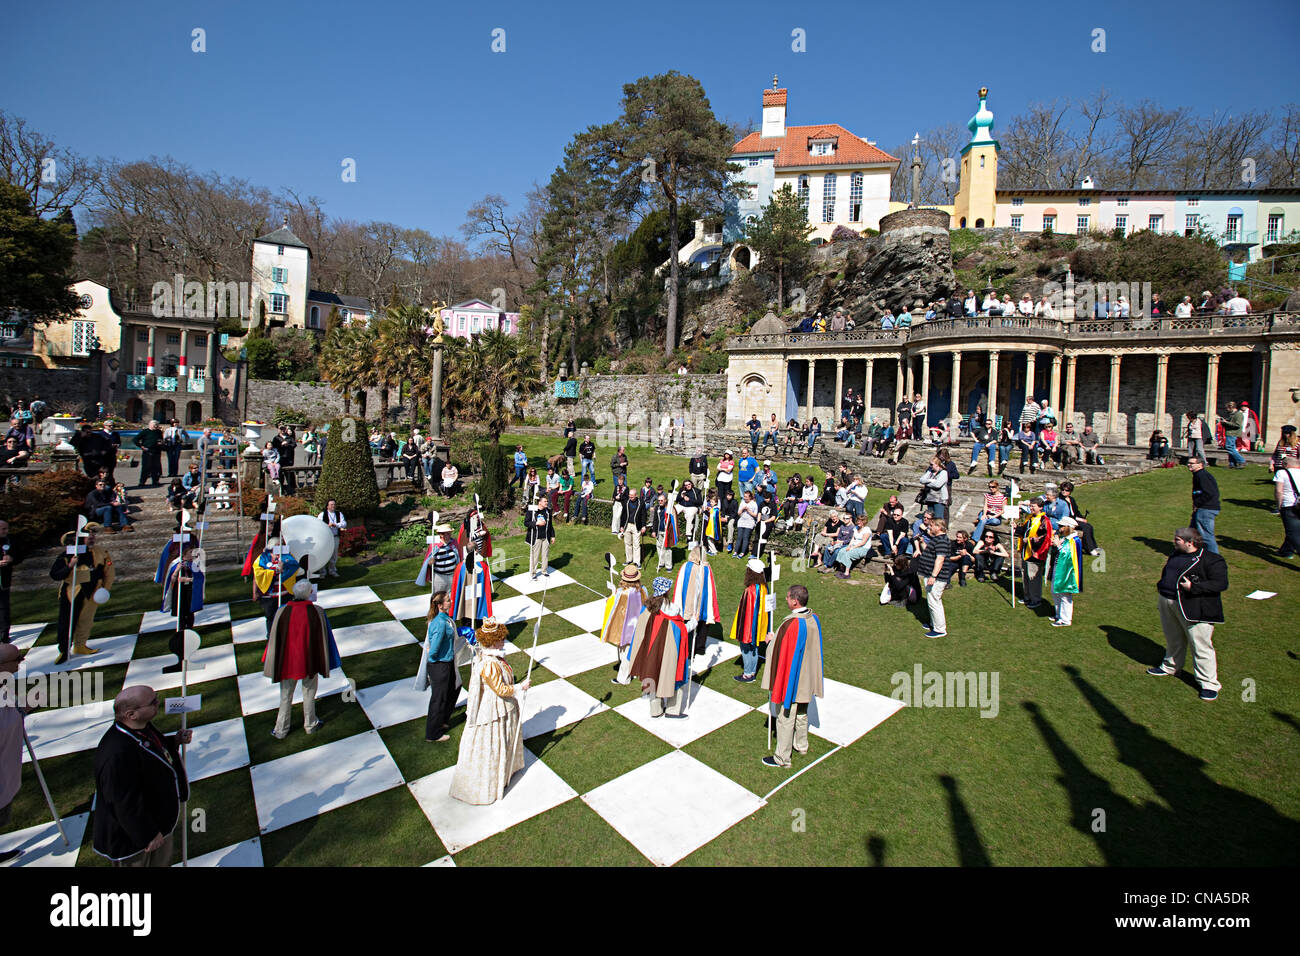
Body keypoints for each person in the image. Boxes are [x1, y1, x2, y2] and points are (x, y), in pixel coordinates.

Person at [91, 685, 192, 866]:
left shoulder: (142, 727)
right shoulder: (116, 753)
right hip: (135, 841)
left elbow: (153, 750)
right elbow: (123, 802)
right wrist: (148, 835)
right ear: (131, 714)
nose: (158, 703)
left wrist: (174, 741)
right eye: (153, 702)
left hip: (159, 825)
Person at [450, 617, 528, 804]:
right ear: (493, 641)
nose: (503, 641)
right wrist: (520, 687)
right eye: (500, 639)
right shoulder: (490, 663)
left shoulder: (491, 658)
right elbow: (500, 689)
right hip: (494, 707)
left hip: (500, 706)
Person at [1149, 528, 1228, 701]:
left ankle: (1208, 684)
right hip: (1167, 602)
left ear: (1189, 542)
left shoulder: (1212, 560)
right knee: (1173, 639)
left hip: (1193, 608)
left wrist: (1194, 588)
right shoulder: (1176, 554)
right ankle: (1170, 667)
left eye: (1177, 539)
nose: (1173, 542)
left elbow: (1221, 584)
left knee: (1200, 646)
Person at [264, 579, 340, 738]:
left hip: (287, 661)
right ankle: (310, 724)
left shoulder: (282, 611)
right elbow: (325, 637)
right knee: (309, 692)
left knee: (285, 695)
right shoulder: (317, 611)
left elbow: (274, 636)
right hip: (309, 659)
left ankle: (281, 729)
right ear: (309, 593)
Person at [760, 585, 824, 768]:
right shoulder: (814, 619)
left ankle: (782, 758)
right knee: (802, 713)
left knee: (785, 717)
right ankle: (801, 744)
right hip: (808, 677)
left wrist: (770, 641)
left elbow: (779, 651)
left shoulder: (791, 624)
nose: (786, 600)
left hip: (793, 679)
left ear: (795, 601)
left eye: (788, 598)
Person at [50, 523, 113, 665]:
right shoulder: (67, 554)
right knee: (66, 620)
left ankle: (80, 645)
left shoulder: (101, 552)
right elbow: (55, 574)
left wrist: (105, 588)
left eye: (93, 536)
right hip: (72, 591)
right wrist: (70, 566)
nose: (91, 538)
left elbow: (109, 572)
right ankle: (64, 650)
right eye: (87, 536)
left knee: (86, 620)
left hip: (93, 590)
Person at [628, 577, 691, 718]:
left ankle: (655, 710)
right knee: (674, 676)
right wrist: (694, 622)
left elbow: (639, 633)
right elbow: (682, 631)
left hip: (651, 652)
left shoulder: (646, 608)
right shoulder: (672, 610)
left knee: (653, 673)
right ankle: (672, 710)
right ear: (667, 591)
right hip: (669, 650)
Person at [421, 591, 459, 742]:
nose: (450, 602)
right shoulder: (440, 623)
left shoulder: (444, 619)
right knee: (438, 698)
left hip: (446, 662)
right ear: (440, 605)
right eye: (448, 600)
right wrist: (433, 657)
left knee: (453, 689)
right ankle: (433, 733)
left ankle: (441, 721)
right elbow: (434, 648)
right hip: (440, 665)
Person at [160, 545, 203, 673]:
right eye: (190, 552)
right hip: (180, 594)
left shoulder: (192, 564)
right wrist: (178, 574)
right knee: (181, 616)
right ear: (184, 554)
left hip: (189, 592)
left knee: (190, 615)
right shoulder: (176, 564)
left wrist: (193, 577)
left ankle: (190, 634)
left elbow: (200, 576)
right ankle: (181, 637)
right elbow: (171, 579)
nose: (192, 553)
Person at [603, 565, 647, 685]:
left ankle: (624, 678)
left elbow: (615, 608)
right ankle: (633, 672)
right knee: (631, 651)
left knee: (625, 653)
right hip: (639, 625)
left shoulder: (623, 593)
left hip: (625, 627)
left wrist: (610, 600)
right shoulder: (643, 590)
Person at [673, 546, 720, 656]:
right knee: (702, 624)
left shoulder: (687, 566)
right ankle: (700, 648)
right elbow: (711, 588)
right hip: (702, 601)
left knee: (690, 622)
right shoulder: (706, 568)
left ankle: (689, 650)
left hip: (689, 600)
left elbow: (679, 584)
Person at [729, 558, 770, 683]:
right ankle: (752, 672)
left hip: (749, 625)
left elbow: (744, 612)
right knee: (755, 648)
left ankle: (747, 674)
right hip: (759, 624)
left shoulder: (750, 591)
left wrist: (741, 631)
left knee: (746, 648)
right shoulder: (764, 587)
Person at [916, 516, 953, 638]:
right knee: (931, 601)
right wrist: (922, 542)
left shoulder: (942, 541)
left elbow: (940, 559)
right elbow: (929, 552)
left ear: (938, 527)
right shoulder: (937, 539)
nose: (929, 527)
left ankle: (940, 629)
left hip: (936, 578)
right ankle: (933, 623)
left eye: (931, 526)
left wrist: (933, 576)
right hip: (930, 575)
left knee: (934, 602)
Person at [252, 535, 300, 627]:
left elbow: (294, 566)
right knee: (270, 618)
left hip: (285, 594)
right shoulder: (263, 558)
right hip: (269, 596)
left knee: (286, 617)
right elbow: (258, 572)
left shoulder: (288, 556)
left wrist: (285, 566)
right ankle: (271, 637)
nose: (279, 547)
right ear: (271, 546)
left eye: (280, 545)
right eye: (277, 545)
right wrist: (274, 571)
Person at [1048, 517, 1084, 626]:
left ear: (1067, 527)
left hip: (1067, 572)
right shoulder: (1066, 539)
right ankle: (1059, 615)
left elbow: (1068, 555)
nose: (1059, 528)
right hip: (1059, 568)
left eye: (1061, 526)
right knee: (1055, 592)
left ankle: (1065, 619)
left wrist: (1058, 545)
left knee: (1064, 595)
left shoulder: (1074, 540)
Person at [1017, 498, 1052, 609]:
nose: (1031, 508)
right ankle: (1027, 596)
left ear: (1040, 507)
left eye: (1034, 506)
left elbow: (1045, 537)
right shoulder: (1030, 518)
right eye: (1030, 506)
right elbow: (1024, 531)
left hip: (1035, 553)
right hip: (1025, 551)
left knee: (1034, 578)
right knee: (1025, 575)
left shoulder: (1044, 520)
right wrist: (1016, 528)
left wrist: (1030, 540)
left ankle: (1036, 599)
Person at [1187, 456, 1220, 554]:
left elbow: (1209, 493)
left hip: (1206, 509)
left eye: (1192, 463)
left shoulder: (1202, 475)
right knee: (1191, 532)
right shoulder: (1198, 475)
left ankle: (1214, 559)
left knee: (1206, 536)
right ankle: (1188, 552)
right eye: (1188, 463)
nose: (1189, 465)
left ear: (1200, 465)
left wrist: (1197, 503)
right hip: (1202, 508)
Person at [1273, 455, 1300, 558]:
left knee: (1292, 533)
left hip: (1289, 504)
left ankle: (1289, 551)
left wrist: (1279, 505)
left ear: (1286, 465)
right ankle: (1286, 551)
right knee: (1294, 530)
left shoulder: (1282, 473)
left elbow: (1279, 491)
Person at [835, 514, 874, 579]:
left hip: (863, 548)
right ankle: (841, 569)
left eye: (861, 521)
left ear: (864, 522)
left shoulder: (867, 530)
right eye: (858, 520)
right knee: (841, 551)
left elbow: (863, 542)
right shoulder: (856, 528)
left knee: (848, 554)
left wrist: (852, 548)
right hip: (854, 546)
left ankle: (847, 573)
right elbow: (853, 539)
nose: (859, 522)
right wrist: (849, 546)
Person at [527, 494, 555, 580]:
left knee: (545, 555)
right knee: (535, 556)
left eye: (547, 501)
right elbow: (526, 522)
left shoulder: (547, 511)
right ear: (540, 502)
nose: (547, 503)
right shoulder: (532, 511)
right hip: (536, 537)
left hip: (546, 536)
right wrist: (536, 523)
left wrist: (553, 535)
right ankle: (533, 573)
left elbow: (550, 525)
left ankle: (544, 571)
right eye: (545, 501)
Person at [318, 499, 347, 576]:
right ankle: (322, 572)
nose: (333, 506)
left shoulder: (339, 514)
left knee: (334, 554)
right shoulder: (322, 514)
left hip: (335, 537)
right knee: (323, 554)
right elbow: (318, 525)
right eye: (331, 504)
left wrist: (336, 525)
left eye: (334, 504)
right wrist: (328, 526)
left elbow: (344, 524)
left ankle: (332, 571)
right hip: (325, 537)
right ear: (327, 506)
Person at [652, 491, 678, 571]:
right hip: (659, 531)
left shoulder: (669, 508)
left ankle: (668, 566)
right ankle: (661, 563)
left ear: (665, 500)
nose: (660, 502)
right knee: (659, 547)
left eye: (662, 500)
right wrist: (654, 531)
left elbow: (674, 517)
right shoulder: (657, 508)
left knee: (667, 548)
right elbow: (655, 520)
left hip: (667, 531)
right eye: (659, 501)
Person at [918, 456, 950, 521]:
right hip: (930, 498)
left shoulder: (943, 473)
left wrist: (927, 483)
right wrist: (930, 481)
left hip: (939, 500)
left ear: (937, 464)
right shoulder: (930, 472)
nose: (930, 466)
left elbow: (937, 485)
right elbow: (921, 480)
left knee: (938, 518)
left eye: (932, 464)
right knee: (930, 517)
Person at [0, 521, 14, 645]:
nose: (6, 531)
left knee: (4, 608)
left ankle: (4, 634)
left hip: (4, 581)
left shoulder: (9, 541)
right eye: (3, 529)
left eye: (7, 528)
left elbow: (19, 555)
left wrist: (11, 559)